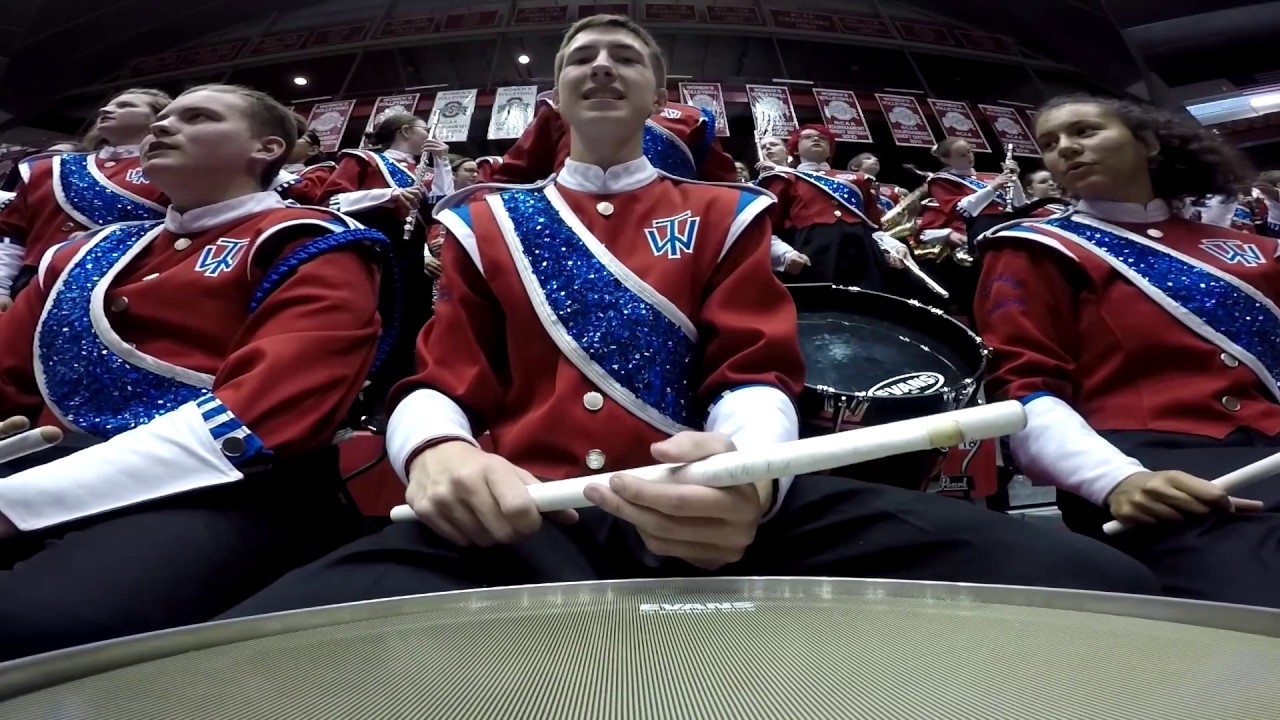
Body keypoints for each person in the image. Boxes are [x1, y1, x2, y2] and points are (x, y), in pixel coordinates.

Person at [222, 16, 1158, 619]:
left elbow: (755, 369)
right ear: (552, 95)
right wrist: (439, 454)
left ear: (653, 92)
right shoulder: (482, 221)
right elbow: (439, 378)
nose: (599, 66)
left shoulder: (725, 211)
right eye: (578, 57)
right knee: (249, 640)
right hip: (526, 508)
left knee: (1101, 588)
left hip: (726, 499)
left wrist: (749, 483)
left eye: (622, 55)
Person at [0, 84, 387, 659]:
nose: (161, 127)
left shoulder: (306, 242)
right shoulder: (82, 253)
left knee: (27, 625)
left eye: (197, 117)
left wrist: (17, 500)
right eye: (162, 118)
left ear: (266, 148)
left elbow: (266, 414)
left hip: (225, 489)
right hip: (40, 465)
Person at [974, 93, 1280, 608]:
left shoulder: (1256, 249)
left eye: (1085, 132)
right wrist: (1116, 479)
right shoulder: (1034, 247)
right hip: (1152, 470)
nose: (1065, 149)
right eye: (1049, 144)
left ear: (1147, 143)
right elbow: (1023, 391)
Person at [319, 113, 453, 417]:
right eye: (424, 129)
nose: (429, 135)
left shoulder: (421, 170)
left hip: (408, 251)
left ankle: (399, 395)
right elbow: (330, 201)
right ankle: (359, 398)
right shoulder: (364, 159)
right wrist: (389, 195)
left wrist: (443, 161)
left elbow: (443, 205)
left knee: (411, 319)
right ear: (406, 130)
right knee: (373, 316)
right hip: (373, 246)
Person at [0, 89, 171, 310]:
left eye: (126, 105)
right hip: (27, 285)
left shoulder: (172, 172)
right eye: (109, 105)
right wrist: (2, 286)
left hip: (115, 293)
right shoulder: (50, 168)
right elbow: (11, 233)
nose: (105, 109)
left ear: (159, 118)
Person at [757, 125, 911, 291]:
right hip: (813, 246)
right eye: (807, 137)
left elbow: (872, 225)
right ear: (795, 150)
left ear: (830, 150)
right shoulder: (785, 179)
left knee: (870, 302)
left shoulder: (858, 180)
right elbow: (768, 227)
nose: (816, 139)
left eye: (822, 138)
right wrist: (784, 254)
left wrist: (895, 246)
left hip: (863, 248)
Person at [490, 87, 738, 183]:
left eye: (628, 60)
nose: (602, 67)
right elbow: (507, 184)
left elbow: (727, 193)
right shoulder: (558, 115)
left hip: (674, 246)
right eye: (583, 59)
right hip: (565, 241)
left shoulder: (693, 119)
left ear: (659, 94)